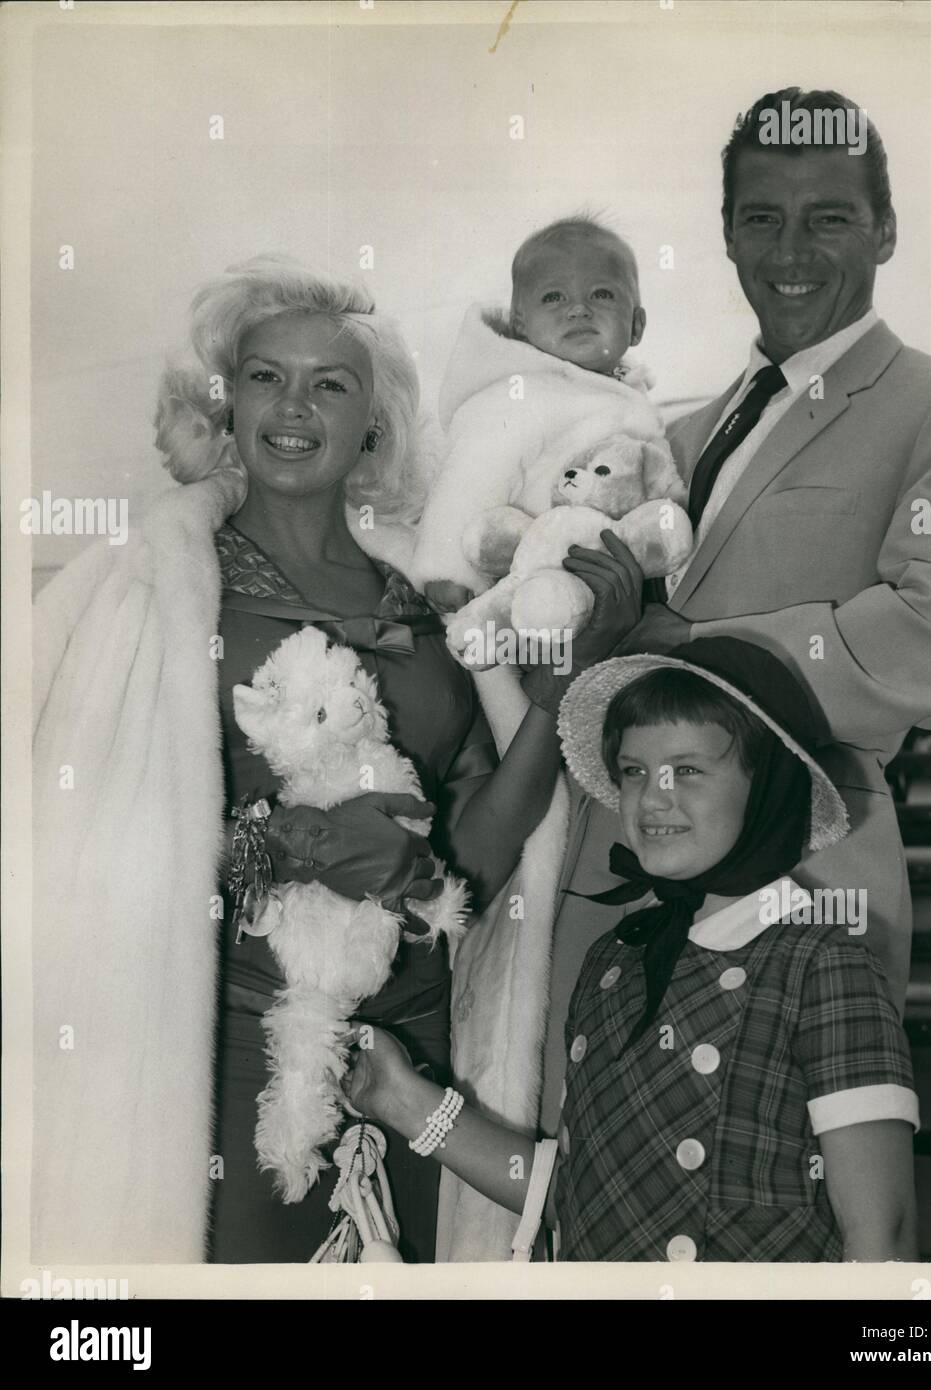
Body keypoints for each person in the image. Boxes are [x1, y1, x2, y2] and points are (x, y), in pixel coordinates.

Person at [30, 255, 641, 1264]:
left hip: (414, 1062)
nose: (294, 407)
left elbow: (478, 859)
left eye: (331, 383)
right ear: (222, 406)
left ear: (373, 423)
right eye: (265, 376)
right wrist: (283, 847)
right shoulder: (143, 591)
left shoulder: (435, 603)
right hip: (221, 1058)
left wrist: (559, 691)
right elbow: (84, 849)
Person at [541, 88, 931, 1136]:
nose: (791, 250)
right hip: (612, 889)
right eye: (763, 217)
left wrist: (690, 651)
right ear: (727, 233)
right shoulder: (669, 428)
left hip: (808, 893)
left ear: (885, 229)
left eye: (830, 217)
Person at [347, 637, 919, 1263]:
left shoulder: (824, 965)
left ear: (769, 786)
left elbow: (881, 1236)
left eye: (689, 769)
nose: (653, 797)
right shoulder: (614, 961)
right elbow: (582, 1191)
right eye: (634, 770)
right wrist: (401, 1099)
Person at [408, 214, 673, 610]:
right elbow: (469, 477)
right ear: (520, 324)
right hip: (526, 579)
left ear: (636, 325)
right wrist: (448, 570)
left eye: (601, 294)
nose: (578, 310)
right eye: (554, 297)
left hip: (612, 586)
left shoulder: (632, 398)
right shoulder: (518, 395)